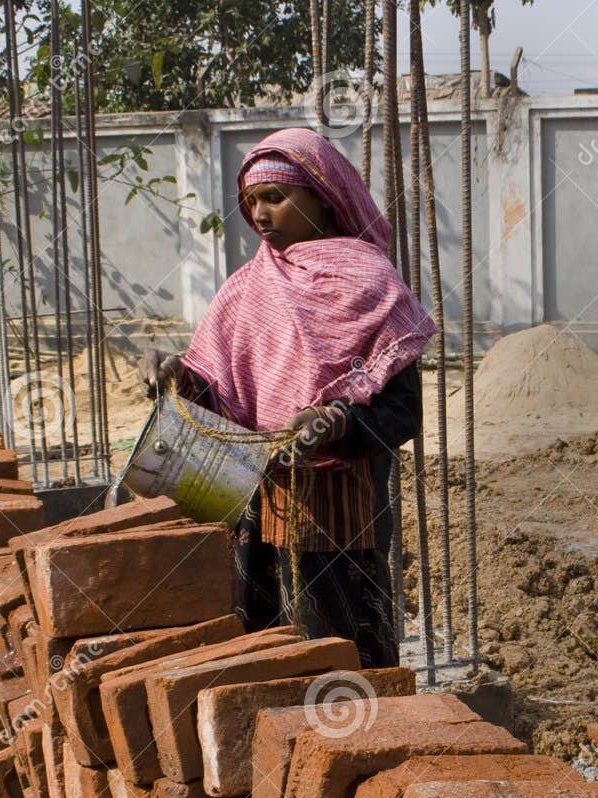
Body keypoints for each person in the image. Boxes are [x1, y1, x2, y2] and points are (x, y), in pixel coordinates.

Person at [141, 128, 434, 668]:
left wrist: (338, 421)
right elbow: (216, 397)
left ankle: (369, 738)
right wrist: (174, 377)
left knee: (346, 646)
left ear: (323, 193)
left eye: (275, 197)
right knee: (265, 644)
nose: (260, 214)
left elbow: (402, 409)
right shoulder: (244, 288)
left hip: (342, 510)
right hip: (258, 499)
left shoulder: (372, 284)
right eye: (252, 201)